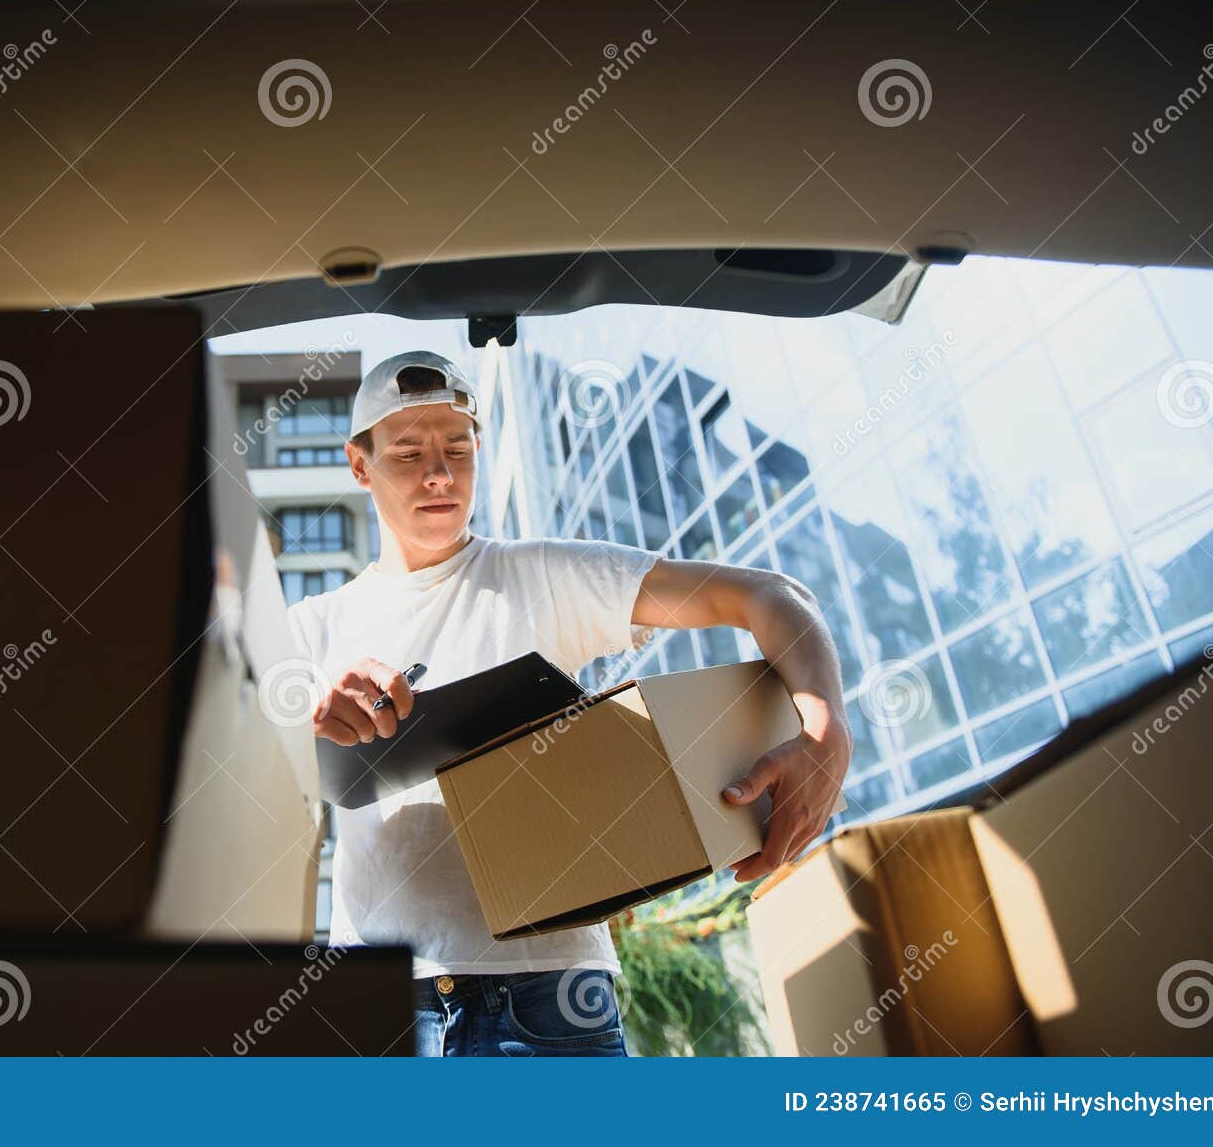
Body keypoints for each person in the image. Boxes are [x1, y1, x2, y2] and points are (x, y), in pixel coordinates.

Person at [284, 349, 850, 1057]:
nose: (439, 474)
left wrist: (825, 730)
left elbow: (771, 595)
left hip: (549, 1001)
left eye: (458, 449)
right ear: (359, 465)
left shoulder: (542, 576)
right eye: (407, 455)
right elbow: (230, 776)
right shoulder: (309, 629)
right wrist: (307, 720)